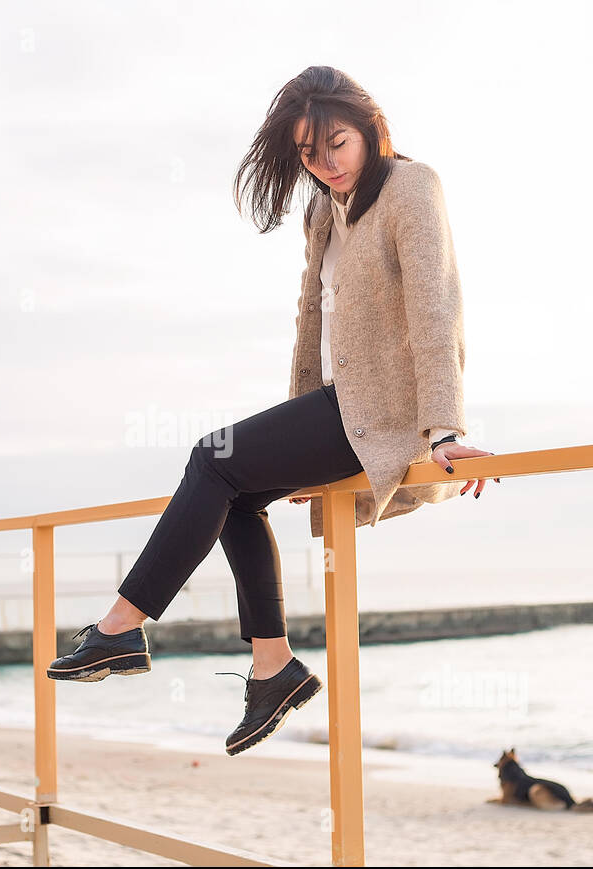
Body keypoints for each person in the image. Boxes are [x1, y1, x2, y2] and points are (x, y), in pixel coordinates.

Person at [46, 66, 498, 756]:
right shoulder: (323, 211)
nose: (327, 164)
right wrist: (297, 455)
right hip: (338, 408)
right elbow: (310, 325)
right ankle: (271, 668)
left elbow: (435, 305)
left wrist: (445, 429)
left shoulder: (412, 186)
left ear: (370, 128)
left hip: (389, 411)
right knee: (231, 490)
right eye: (309, 154)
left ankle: (121, 627)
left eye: (337, 144)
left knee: (211, 458)